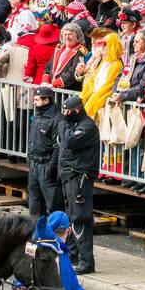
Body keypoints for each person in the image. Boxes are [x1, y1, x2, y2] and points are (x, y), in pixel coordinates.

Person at [56, 92, 100, 273]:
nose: (64, 114)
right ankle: (73, 255)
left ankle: (86, 262)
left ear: (76, 110)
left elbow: (69, 141)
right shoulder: (72, 124)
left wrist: (63, 124)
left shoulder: (87, 126)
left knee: (80, 219)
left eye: (67, 111)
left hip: (80, 177)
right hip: (69, 176)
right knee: (71, 217)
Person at [27, 85, 64, 218]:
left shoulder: (57, 119)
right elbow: (32, 139)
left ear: (46, 100)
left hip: (46, 164)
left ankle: (56, 236)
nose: (34, 102)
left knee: (53, 204)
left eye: (37, 100)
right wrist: (29, 158)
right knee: (35, 205)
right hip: (34, 164)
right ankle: (37, 235)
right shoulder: (38, 115)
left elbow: (57, 147)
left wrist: (51, 168)